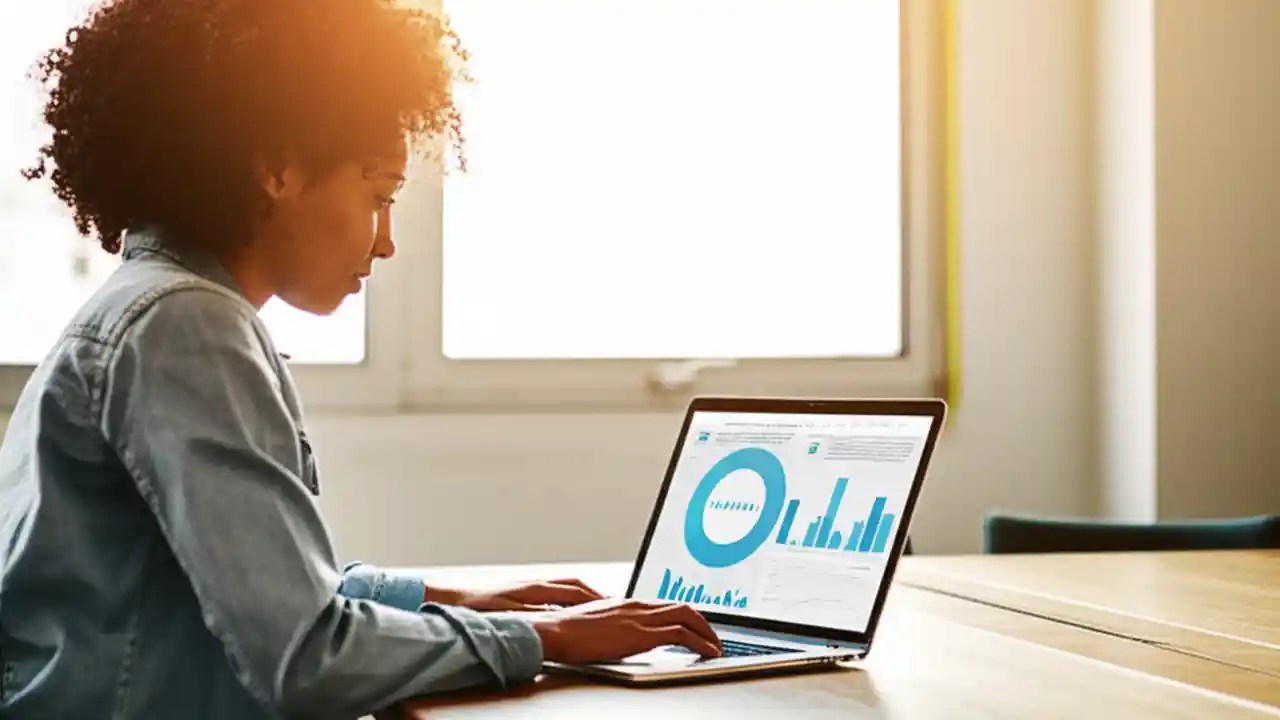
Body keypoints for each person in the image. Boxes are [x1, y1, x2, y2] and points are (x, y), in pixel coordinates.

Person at [0, 1, 721, 717]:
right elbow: (306, 659)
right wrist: (540, 637)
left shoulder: (150, 308)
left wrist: (449, 599)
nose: (386, 242)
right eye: (379, 196)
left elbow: (252, 594)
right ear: (279, 168)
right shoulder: (185, 327)